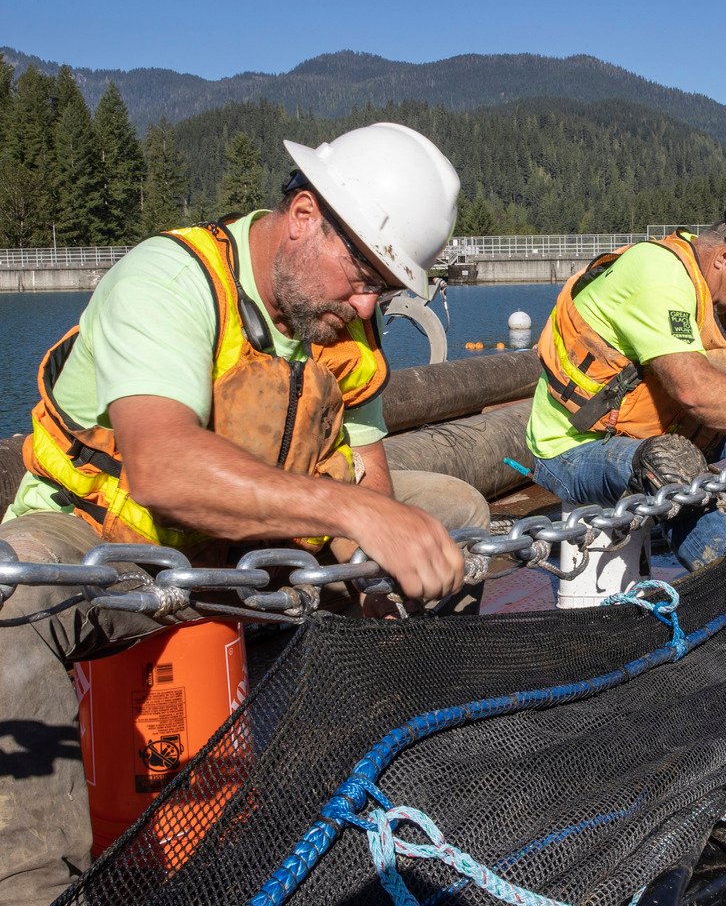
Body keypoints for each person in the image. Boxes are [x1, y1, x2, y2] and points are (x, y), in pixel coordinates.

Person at [0, 122, 491, 903]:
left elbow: (371, 480)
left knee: (454, 513)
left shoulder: (343, 326)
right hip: (111, 540)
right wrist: (352, 516)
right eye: (361, 272)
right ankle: (36, 891)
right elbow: (160, 467)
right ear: (303, 216)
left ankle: (378, 759)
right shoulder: (173, 278)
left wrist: (374, 551)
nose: (368, 302)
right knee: (8, 604)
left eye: (385, 289)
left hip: (255, 551)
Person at [526, 194, 726, 574]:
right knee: (671, 466)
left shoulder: (696, 283)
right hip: (572, 448)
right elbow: (694, 390)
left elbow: (717, 363)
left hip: (641, 430)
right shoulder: (658, 274)